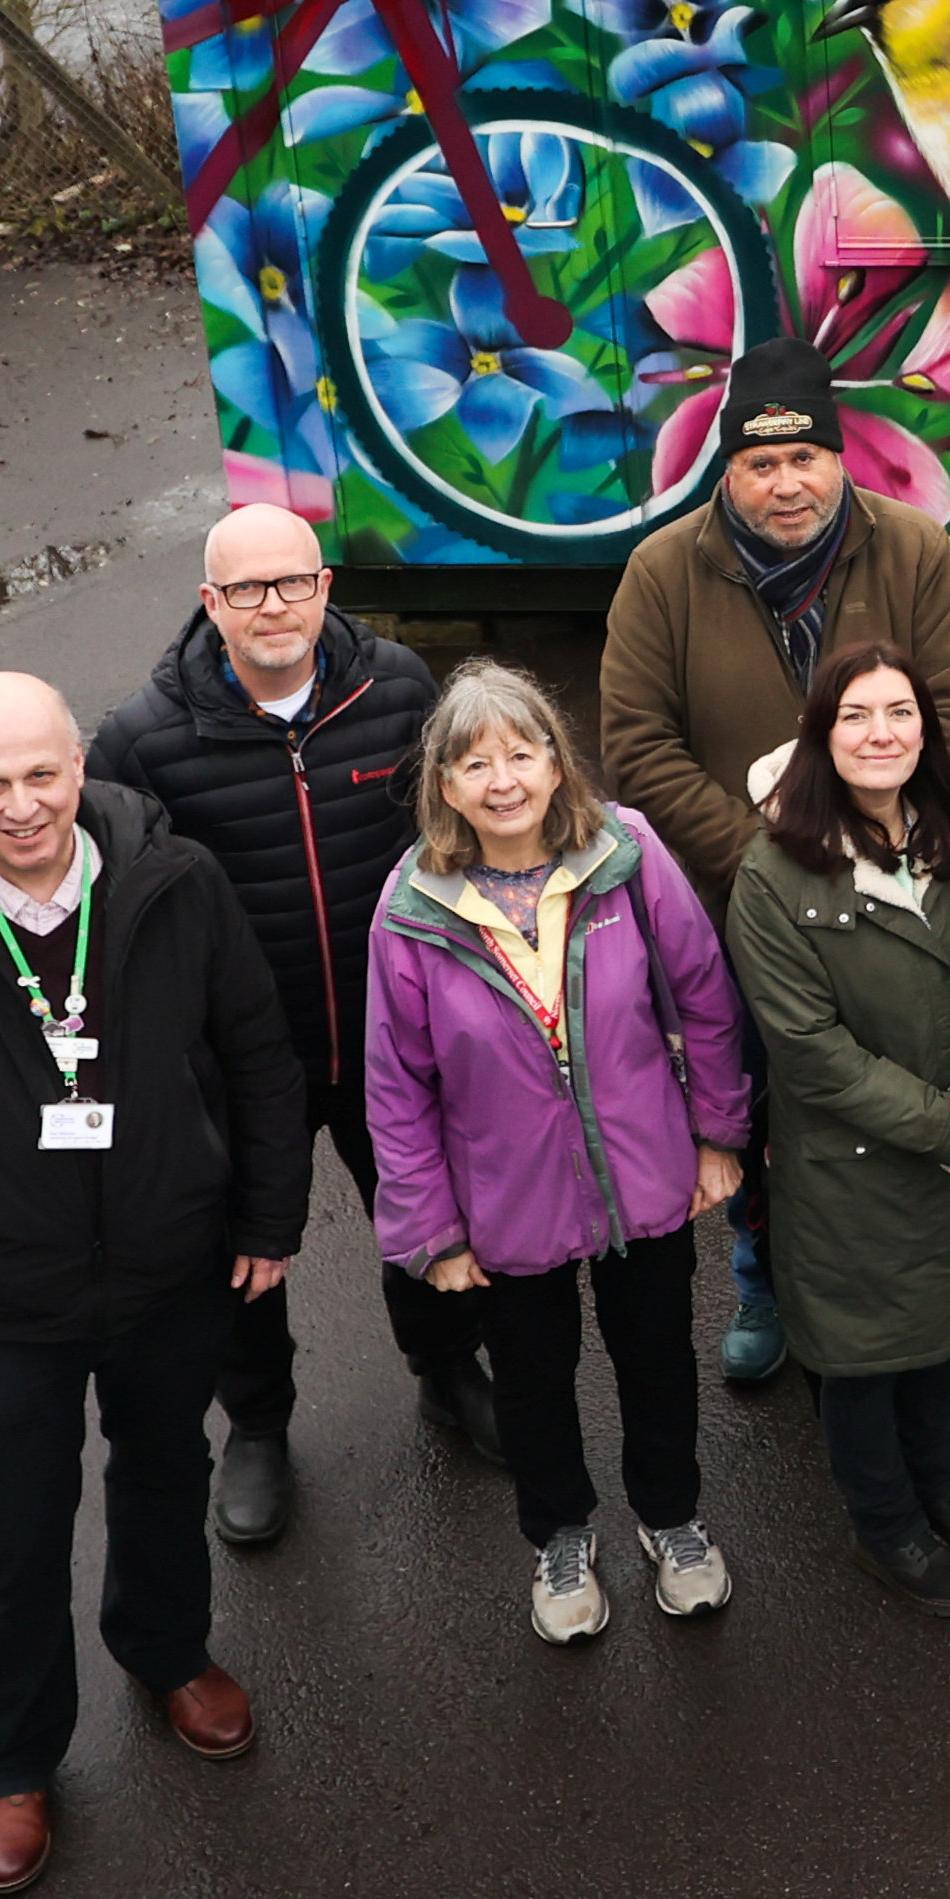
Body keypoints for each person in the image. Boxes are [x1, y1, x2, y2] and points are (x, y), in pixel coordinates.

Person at [0, 673, 307, 1897]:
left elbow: (257, 1055)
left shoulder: (176, 885)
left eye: (42, 774)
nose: (22, 806)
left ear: (80, 765)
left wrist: (267, 1215)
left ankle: (167, 1647)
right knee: (7, 1532)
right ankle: (16, 1759)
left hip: (169, 1266)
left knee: (165, 1467)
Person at [88, 502, 491, 1549]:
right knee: (239, 1251)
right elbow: (118, 911)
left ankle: (448, 1368)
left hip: (388, 1039)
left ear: (326, 588)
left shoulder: (399, 687)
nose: (274, 606)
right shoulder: (143, 738)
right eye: (246, 589)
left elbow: (454, 839)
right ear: (209, 602)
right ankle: (258, 1423)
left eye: (292, 582)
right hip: (237, 1060)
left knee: (420, 1209)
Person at [599, 336, 950, 1387]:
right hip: (745, 909)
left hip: (902, 894)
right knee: (773, 1106)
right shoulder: (661, 572)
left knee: (918, 1086)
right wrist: (769, 866)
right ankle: (766, 1281)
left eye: (805, 457)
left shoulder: (914, 551)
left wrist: (866, 845)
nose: (786, 484)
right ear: (726, 467)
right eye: (760, 463)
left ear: (840, 455)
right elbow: (638, 742)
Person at [365, 661, 755, 1644]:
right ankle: (561, 1537)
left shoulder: (628, 852)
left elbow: (704, 992)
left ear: (555, 761)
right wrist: (434, 1233)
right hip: (507, 1199)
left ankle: (672, 1519)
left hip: (646, 1173)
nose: (503, 779)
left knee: (658, 1359)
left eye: (522, 752)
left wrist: (716, 1134)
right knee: (533, 1381)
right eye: (473, 761)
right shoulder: (411, 908)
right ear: (443, 786)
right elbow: (398, 1088)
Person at [726, 642, 950, 1616]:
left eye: (899, 711)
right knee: (866, 1353)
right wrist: (943, 1120)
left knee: (941, 1320)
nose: (881, 733)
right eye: (855, 714)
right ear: (821, 734)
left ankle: (939, 1479)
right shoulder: (774, 873)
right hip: (855, 1160)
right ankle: (886, 1522)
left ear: (926, 726)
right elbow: (808, 1048)